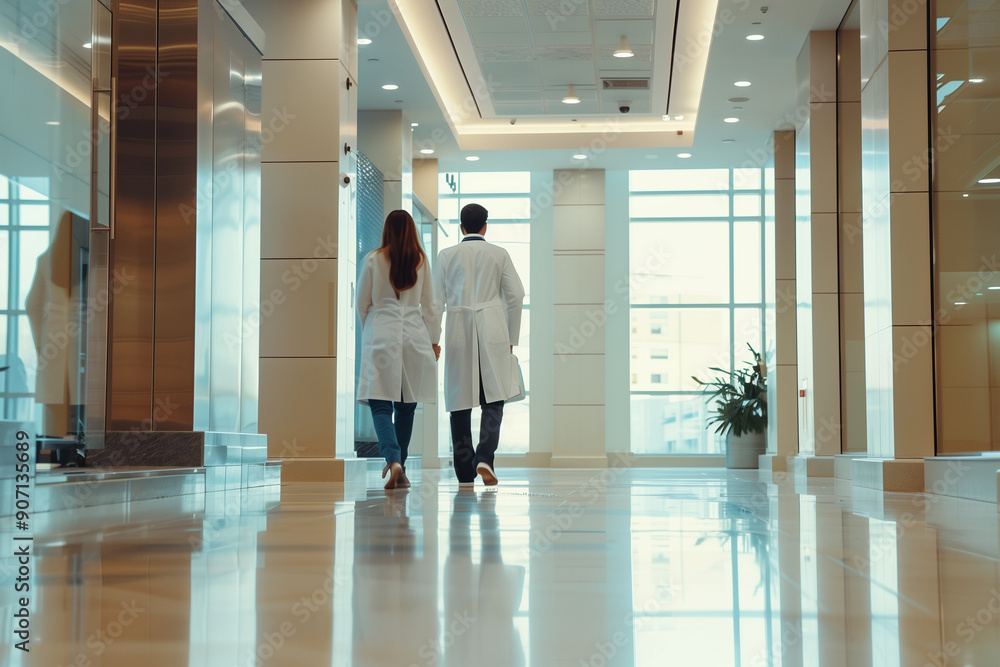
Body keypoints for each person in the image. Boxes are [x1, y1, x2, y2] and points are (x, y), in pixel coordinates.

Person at [434, 203, 525, 487]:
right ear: (485, 226)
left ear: (461, 227)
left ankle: (464, 471)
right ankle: (485, 457)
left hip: (458, 327)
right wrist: (512, 338)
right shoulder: (499, 254)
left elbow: (436, 301)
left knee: (460, 400)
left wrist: (433, 340)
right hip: (493, 327)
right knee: (494, 397)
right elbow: (517, 296)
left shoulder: (446, 255)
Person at [357, 210, 441, 489]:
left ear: (387, 230)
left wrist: (368, 330)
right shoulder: (421, 260)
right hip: (414, 336)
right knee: (406, 407)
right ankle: (400, 465)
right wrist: (433, 340)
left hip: (381, 332)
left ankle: (392, 460)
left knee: (380, 404)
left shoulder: (373, 259)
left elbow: (362, 304)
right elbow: (430, 306)